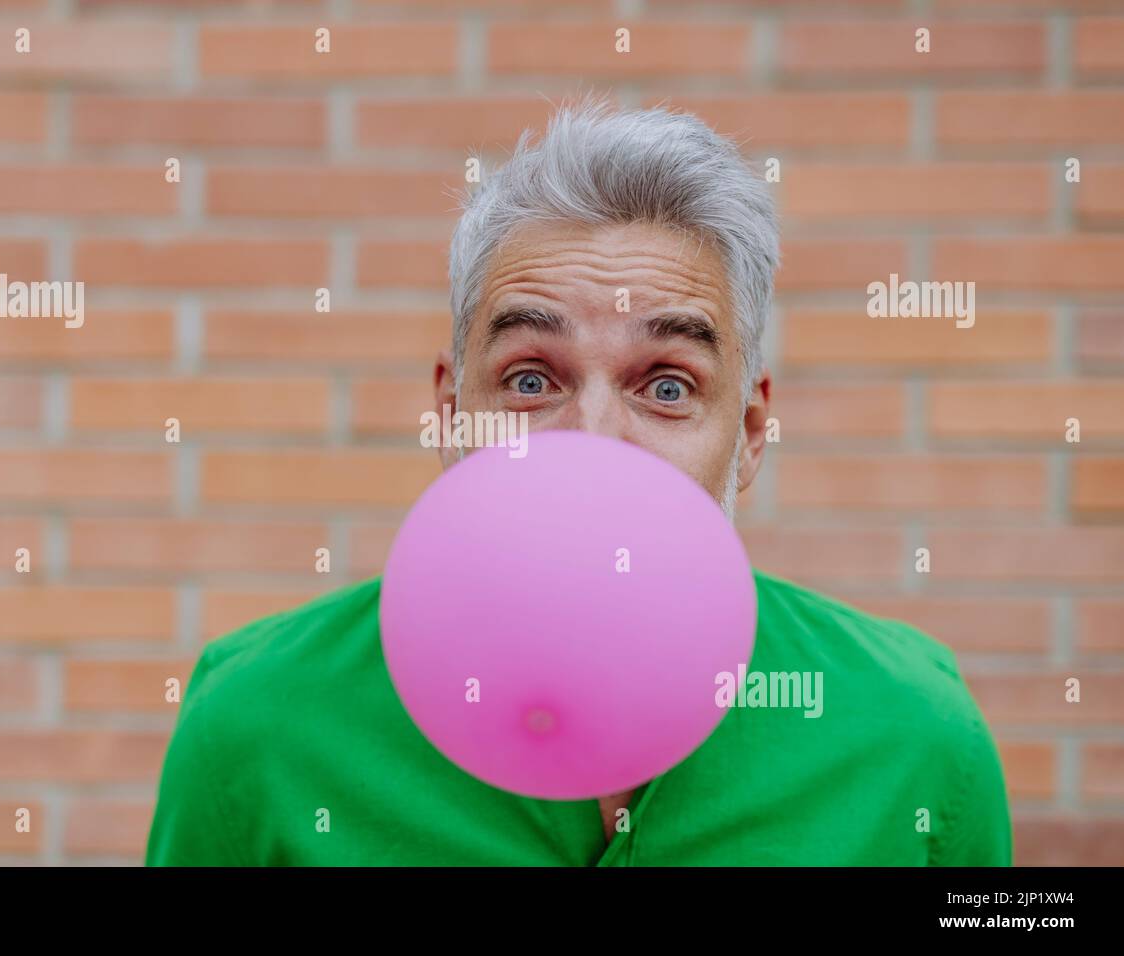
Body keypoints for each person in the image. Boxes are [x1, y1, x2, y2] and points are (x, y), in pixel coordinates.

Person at [146, 99, 1012, 866]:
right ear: (452, 417)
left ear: (748, 434)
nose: (592, 441)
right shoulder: (255, 725)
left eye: (666, 386)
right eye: (532, 380)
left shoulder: (915, 736)